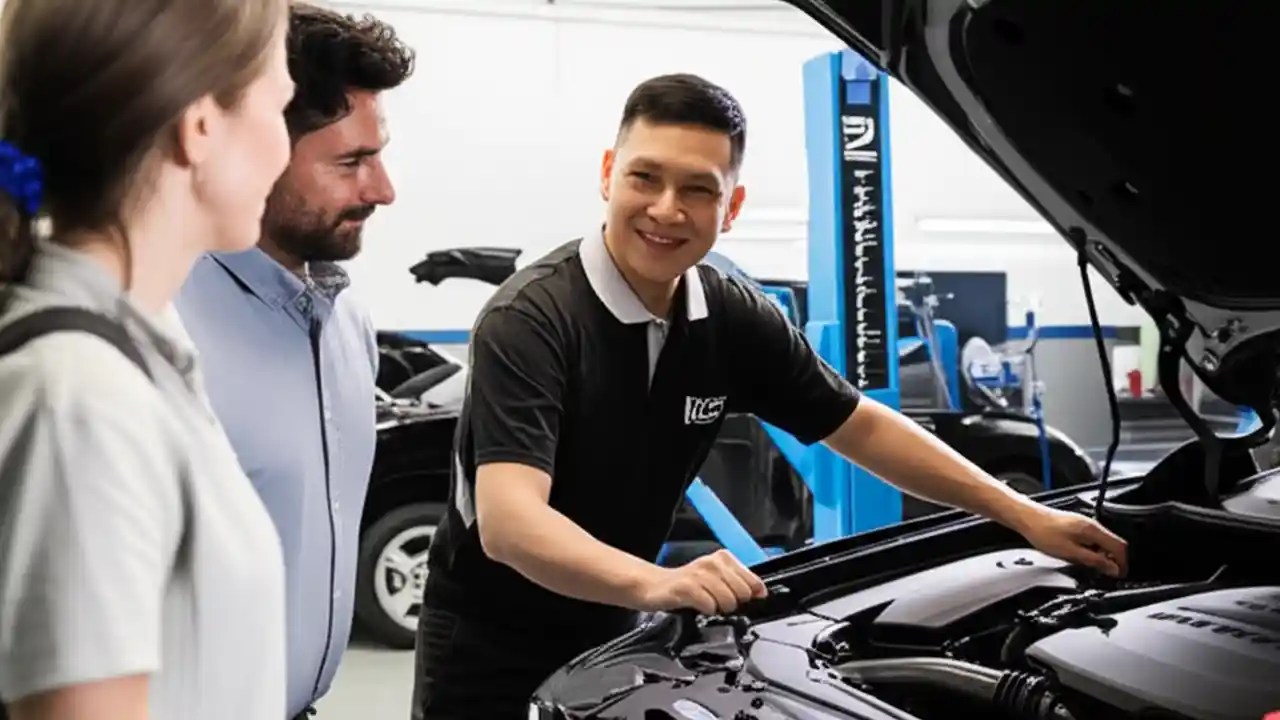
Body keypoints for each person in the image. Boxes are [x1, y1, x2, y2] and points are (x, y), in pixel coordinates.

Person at [409, 72, 1130, 719]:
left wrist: (1024, 514)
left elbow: (859, 425)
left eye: (699, 189)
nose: (666, 209)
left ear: (734, 205)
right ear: (607, 174)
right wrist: (657, 583)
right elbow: (510, 524)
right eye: (644, 178)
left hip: (617, 621)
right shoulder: (531, 318)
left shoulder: (729, 313)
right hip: (489, 642)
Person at [0, 0, 295, 719]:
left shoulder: (140, 351)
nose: (286, 147)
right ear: (199, 127)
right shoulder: (82, 396)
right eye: (280, 104)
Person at [173, 4, 416, 719]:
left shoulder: (348, 320)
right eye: (351, 163)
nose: (383, 189)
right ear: (251, 154)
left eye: (379, 153)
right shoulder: (161, 330)